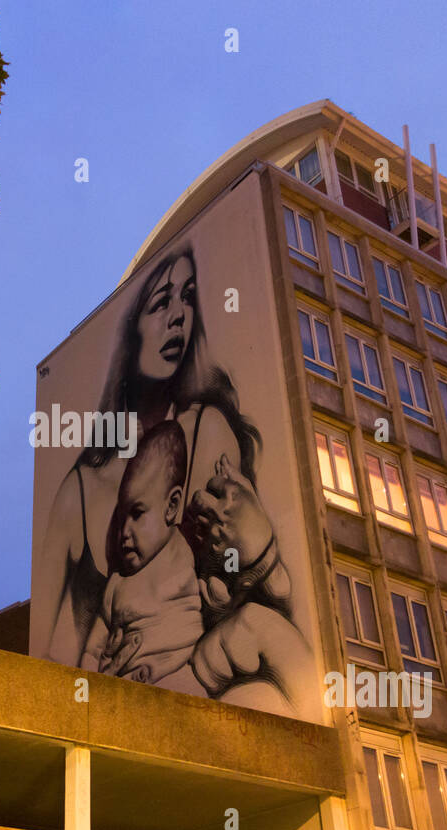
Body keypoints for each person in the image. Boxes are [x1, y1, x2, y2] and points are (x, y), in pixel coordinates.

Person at [37, 245, 305, 713]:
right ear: (128, 332)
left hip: (204, 694)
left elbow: (241, 596)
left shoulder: (206, 432)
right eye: (161, 301)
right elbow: (53, 656)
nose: (179, 315)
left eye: (188, 297)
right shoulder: (78, 491)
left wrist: (254, 557)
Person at [80, 421, 203, 694]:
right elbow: (93, 647)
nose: (124, 531)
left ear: (172, 506)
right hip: (125, 689)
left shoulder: (183, 555)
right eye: (122, 516)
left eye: (137, 514)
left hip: (179, 683)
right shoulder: (117, 585)